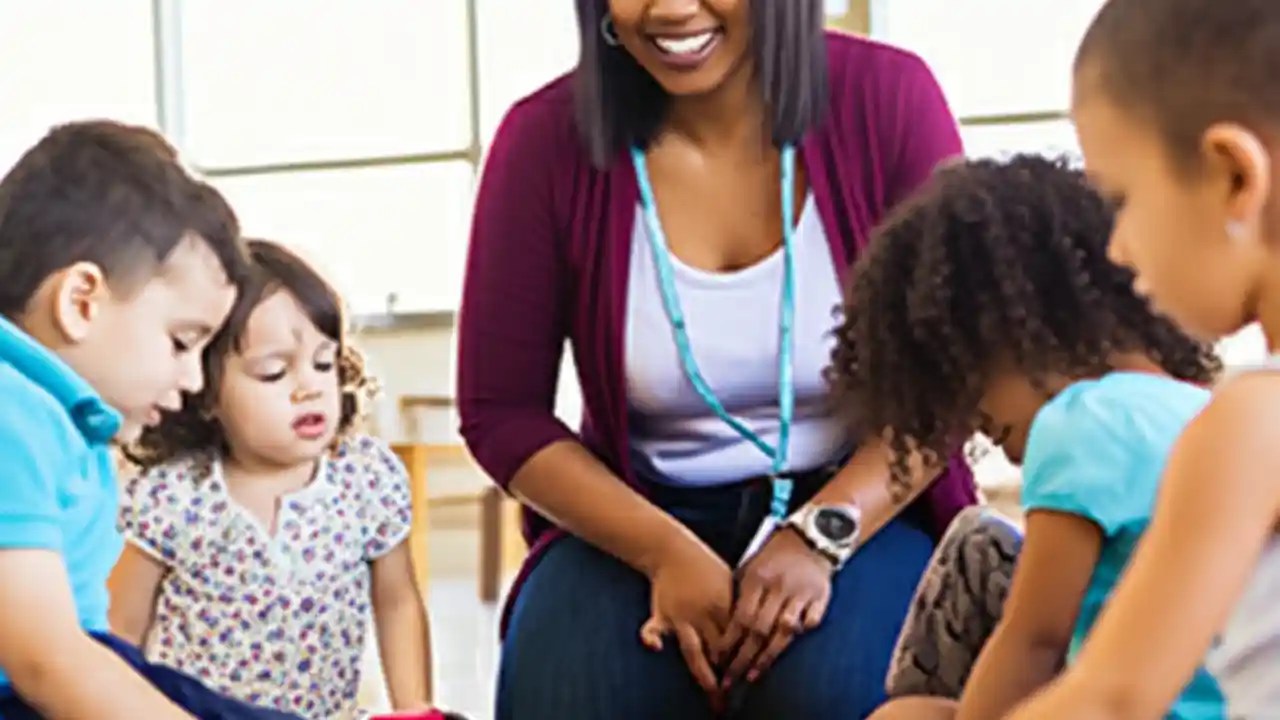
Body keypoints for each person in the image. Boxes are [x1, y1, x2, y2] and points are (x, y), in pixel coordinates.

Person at [457, 0, 977, 717]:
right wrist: (663, 551)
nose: (670, 8)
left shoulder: (889, 97)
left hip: (857, 504)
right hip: (633, 515)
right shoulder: (541, 141)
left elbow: (956, 372)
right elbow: (501, 412)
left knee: (838, 697)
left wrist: (824, 533)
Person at [821, 154, 1226, 720]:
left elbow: (1035, 640)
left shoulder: (1083, 422)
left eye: (964, 381)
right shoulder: (1205, 411)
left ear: (1010, 326)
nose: (972, 419)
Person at [1004, 1, 1280, 718]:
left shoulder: (1254, 424)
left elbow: (1110, 698)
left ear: (1232, 178)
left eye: (1120, 199)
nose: (1117, 247)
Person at [0, 121, 304, 719]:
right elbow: (44, 662)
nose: (193, 381)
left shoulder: (54, 411)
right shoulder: (11, 414)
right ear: (81, 302)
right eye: (181, 342)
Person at [110, 240, 452, 720]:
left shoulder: (365, 477)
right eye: (274, 373)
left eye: (324, 364)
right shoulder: (173, 496)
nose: (309, 387)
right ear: (205, 392)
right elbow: (121, 628)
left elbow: (396, 602)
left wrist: (414, 710)